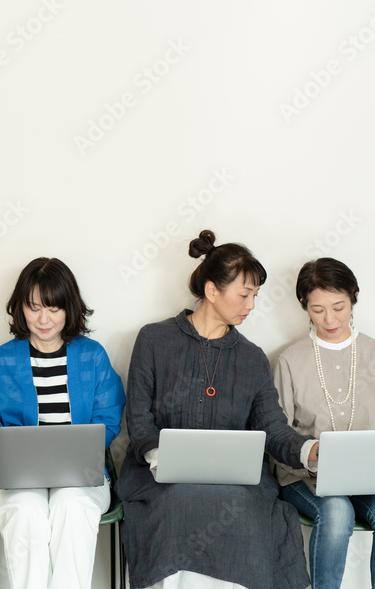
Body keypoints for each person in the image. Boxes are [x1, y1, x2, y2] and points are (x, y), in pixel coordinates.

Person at [117, 230, 317, 589]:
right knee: (179, 501)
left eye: (255, 295)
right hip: (159, 477)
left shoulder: (252, 358)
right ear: (212, 291)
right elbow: (140, 420)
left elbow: (272, 427)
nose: (251, 305)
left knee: (239, 509)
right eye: (244, 294)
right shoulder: (153, 339)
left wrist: (307, 449)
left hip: (235, 483)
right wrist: (160, 455)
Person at [0, 257, 126, 589]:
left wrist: (73, 453)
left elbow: (108, 421)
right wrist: (19, 457)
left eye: (53, 308)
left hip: (81, 476)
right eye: (33, 307)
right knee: (26, 511)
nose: (43, 319)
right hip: (13, 478)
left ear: (69, 308)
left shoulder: (92, 356)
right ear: (20, 309)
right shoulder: (0, 361)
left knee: (73, 506)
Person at [273, 258, 375, 589]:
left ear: (354, 298)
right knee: (336, 514)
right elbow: (277, 433)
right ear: (304, 306)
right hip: (306, 478)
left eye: (339, 306)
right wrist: (310, 460)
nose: (330, 319)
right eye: (318, 309)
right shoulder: (291, 359)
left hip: (371, 481)